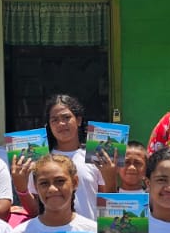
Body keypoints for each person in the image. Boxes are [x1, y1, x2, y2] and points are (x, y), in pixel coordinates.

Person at [22, 93, 119, 221]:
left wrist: (111, 178)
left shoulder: (97, 157)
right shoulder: (41, 161)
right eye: (54, 120)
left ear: (78, 120)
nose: (61, 123)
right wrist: (20, 187)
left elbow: (110, 208)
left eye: (66, 117)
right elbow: (35, 210)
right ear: (49, 126)